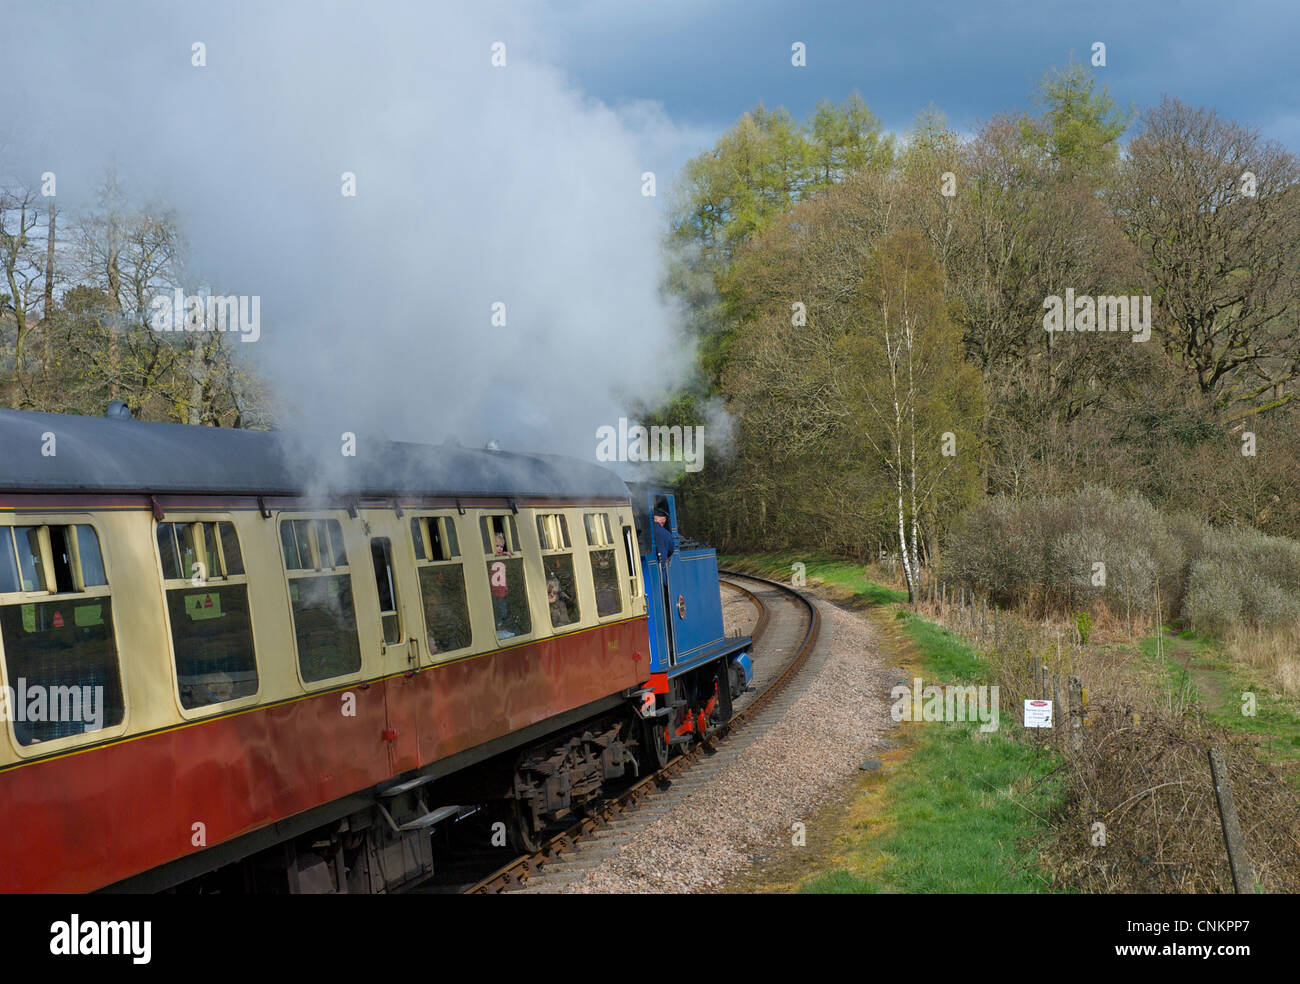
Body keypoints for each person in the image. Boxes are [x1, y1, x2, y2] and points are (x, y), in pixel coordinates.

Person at [489, 531, 513, 636]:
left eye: (501, 547)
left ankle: (501, 626)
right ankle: (498, 627)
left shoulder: (502, 558)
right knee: (496, 612)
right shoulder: (491, 559)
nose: (499, 549)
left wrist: (505, 554)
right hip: (494, 592)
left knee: (503, 611)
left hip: (502, 592)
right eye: (497, 546)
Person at [652, 506, 675, 570]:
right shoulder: (666, 534)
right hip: (661, 568)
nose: (665, 521)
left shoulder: (646, 530)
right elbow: (671, 550)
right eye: (664, 519)